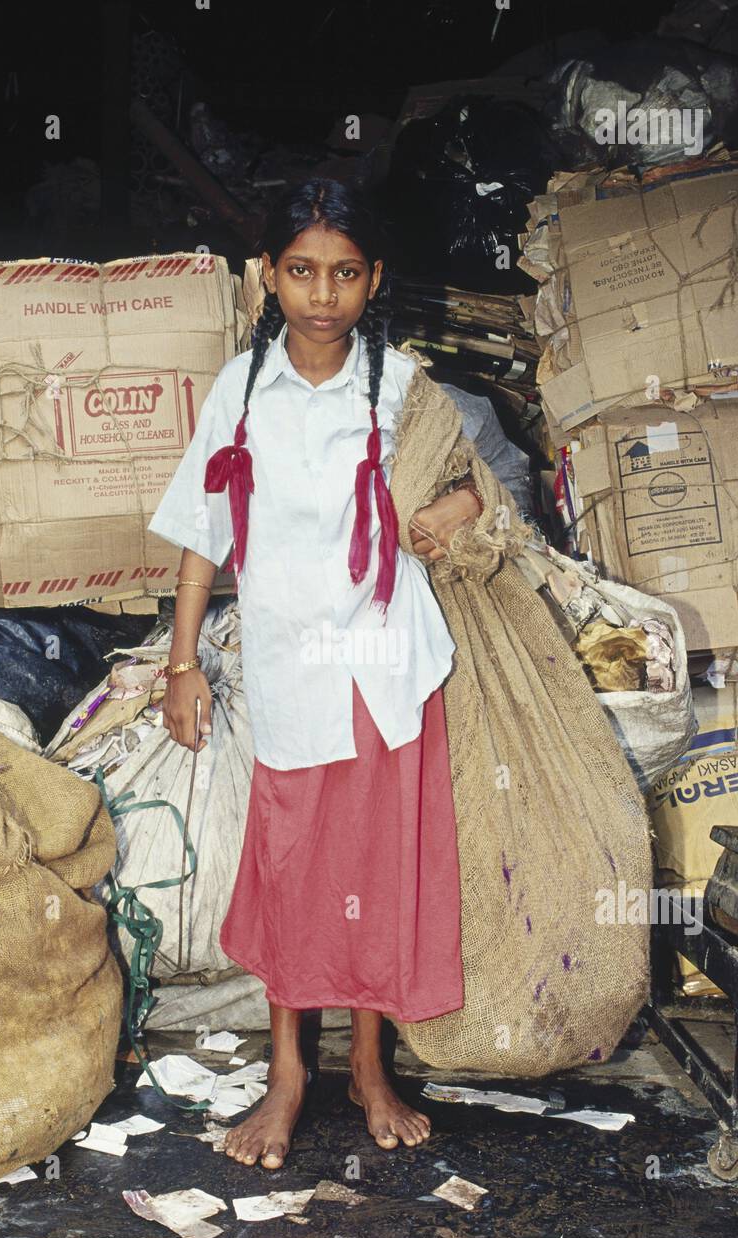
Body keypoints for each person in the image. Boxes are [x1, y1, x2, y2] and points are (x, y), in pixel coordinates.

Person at [148, 179, 485, 1169]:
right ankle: (287, 1073)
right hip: (295, 671)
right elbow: (204, 540)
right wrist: (182, 664)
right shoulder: (238, 393)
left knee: (380, 871)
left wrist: (446, 516)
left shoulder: (403, 385)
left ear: (373, 279)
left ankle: (370, 1068)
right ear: (270, 274)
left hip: (388, 667)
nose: (323, 293)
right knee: (295, 871)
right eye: (302, 270)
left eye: (344, 272)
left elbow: (473, 484)